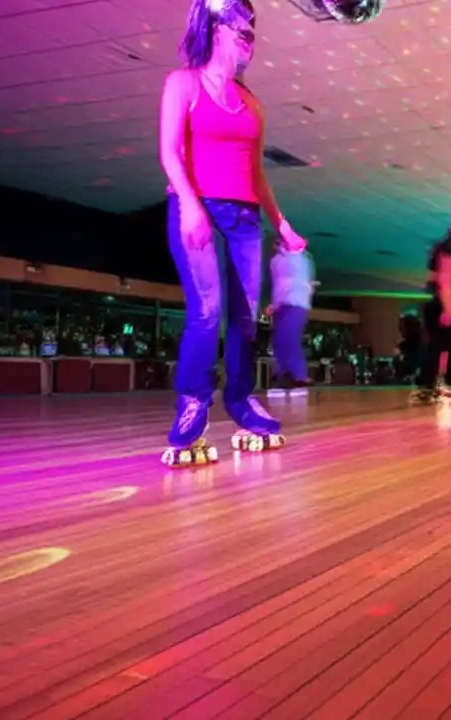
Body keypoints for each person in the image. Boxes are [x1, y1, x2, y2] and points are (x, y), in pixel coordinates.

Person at [158, 0, 305, 461]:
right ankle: (193, 400)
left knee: (244, 318)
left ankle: (240, 399)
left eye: (253, 29)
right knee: (206, 310)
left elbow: (257, 175)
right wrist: (189, 205)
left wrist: (281, 223)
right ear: (216, 27)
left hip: (245, 220)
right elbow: (169, 152)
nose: (250, 34)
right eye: (241, 25)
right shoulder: (182, 83)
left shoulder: (252, 104)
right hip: (196, 208)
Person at [414, 232, 451, 404]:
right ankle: (435, 384)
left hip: (441, 304)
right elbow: (445, 279)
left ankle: (432, 385)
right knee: (442, 347)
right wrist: (448, 309)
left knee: (440, 347)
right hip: (442, 305)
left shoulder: (449, 251)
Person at [269, 246, 315, 393]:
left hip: (296, 303)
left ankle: (297, 375)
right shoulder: (276, 260)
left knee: (288, 337)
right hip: (282, 304)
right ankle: (283, 372)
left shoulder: (299, 258)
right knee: (279, 339)